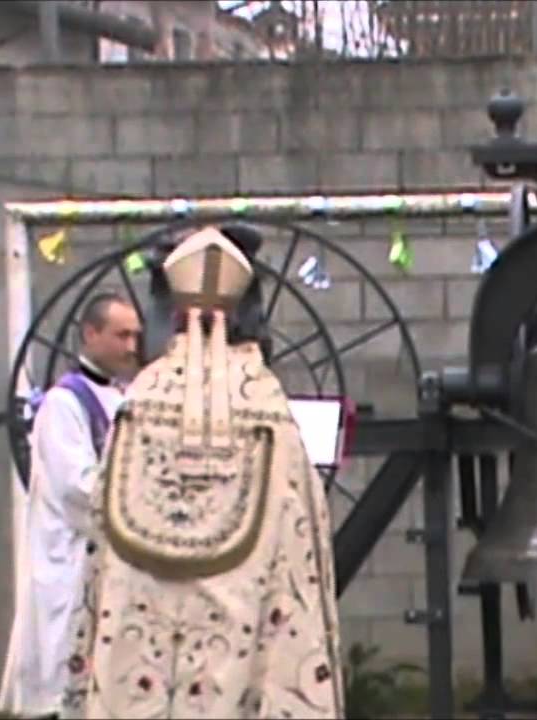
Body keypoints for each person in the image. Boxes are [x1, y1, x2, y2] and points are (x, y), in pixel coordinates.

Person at [60, 226, 344, 719]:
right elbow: (301, 538)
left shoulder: (142, 399)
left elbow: (103, 536)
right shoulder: (266, 404)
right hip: (246, 629)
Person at [0, 292, 141, 719]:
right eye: (121, 335)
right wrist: (142, 504)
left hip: (112, 561)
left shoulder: (123, 396)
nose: (132, 346)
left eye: (135, 335)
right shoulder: (65, 403)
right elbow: (78, 488)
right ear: (90, 333)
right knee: (68, 689)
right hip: (74, 558)